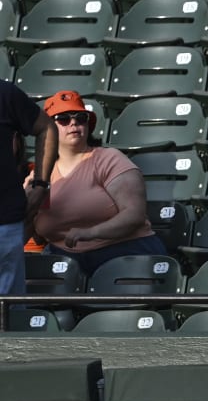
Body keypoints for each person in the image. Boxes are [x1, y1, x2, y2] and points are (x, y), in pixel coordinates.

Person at [30, 90, 167, 277]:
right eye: (62, 118)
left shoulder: (109, 159)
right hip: (64, 260)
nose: (73, 123)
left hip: (123, 251)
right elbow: (31, 226)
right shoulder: (40, 173)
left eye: (81, 117)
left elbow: (133, 215)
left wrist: (90, 233)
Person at [0, 81, 57, 295]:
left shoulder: (4, 94)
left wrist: (40, 184)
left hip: (3, 224)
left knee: (8, 318)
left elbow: (47, 127)